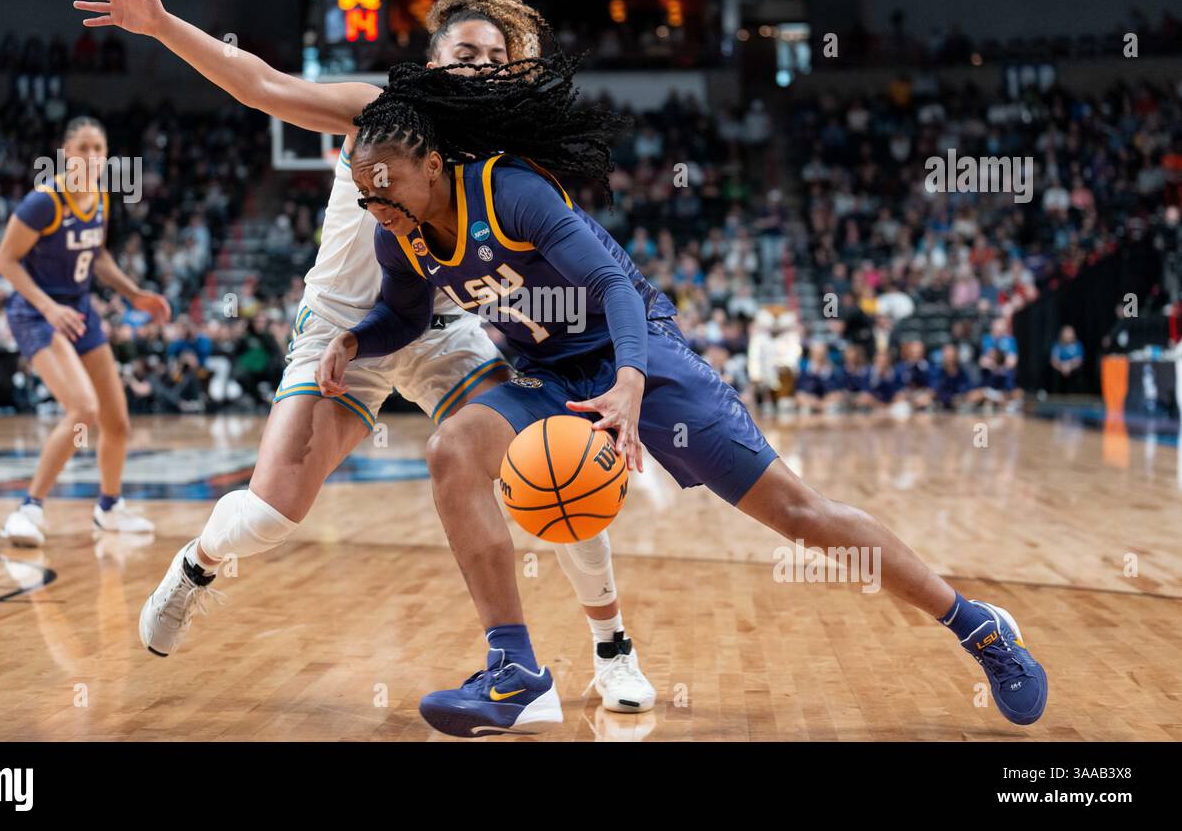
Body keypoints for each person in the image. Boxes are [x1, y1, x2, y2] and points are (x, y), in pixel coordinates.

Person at [318, 56, 1047, 737]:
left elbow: (609, 287)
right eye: (363, 189)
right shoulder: (400, 236)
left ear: (435, 165)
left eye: (385, 184)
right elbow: (406, 315)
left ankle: (977, 626)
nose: (373, 200)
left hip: (640, 351)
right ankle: (515, 672)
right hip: (551, 372)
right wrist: (355, 341)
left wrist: (630, 384)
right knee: (452, 449)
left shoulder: (511, 191)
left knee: (798, 513)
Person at [74, 0, 655, 713]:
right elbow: (262, 84)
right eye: (461, 54)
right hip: (343, 331)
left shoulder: (502, 154)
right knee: (272, 515)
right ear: (433, 60)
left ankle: (607, 653)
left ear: (511, 65)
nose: (475, 67)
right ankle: (197, 564)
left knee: (556, 458)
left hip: (439, 328)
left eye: (490, 56)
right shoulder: (380, 112)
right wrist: (162, 26)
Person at [0, 116, 171, 546]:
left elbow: (99, 256)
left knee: (117, 421)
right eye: (84, 148)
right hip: (37, 314)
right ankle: (28, 509)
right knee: (83, 410)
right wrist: (48, 307)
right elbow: (5, 262)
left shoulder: (100, 197)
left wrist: (133, 294)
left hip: (79, 311)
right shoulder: (44, 201)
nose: (93, 156)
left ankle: (109, 508)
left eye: (99, 148)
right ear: (66, 154)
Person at [1049, 325, 1084, 395]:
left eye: (1070, 333)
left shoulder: (1077, 345)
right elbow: (1053, 360)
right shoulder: (1058, 345)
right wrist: (1062, 367)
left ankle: (1076, 394)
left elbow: (1079, 360)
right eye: (1067, 333)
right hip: (1060, 369)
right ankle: (1055, 394)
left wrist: (1069, 366)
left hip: (1073, 369)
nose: (1068, 336)